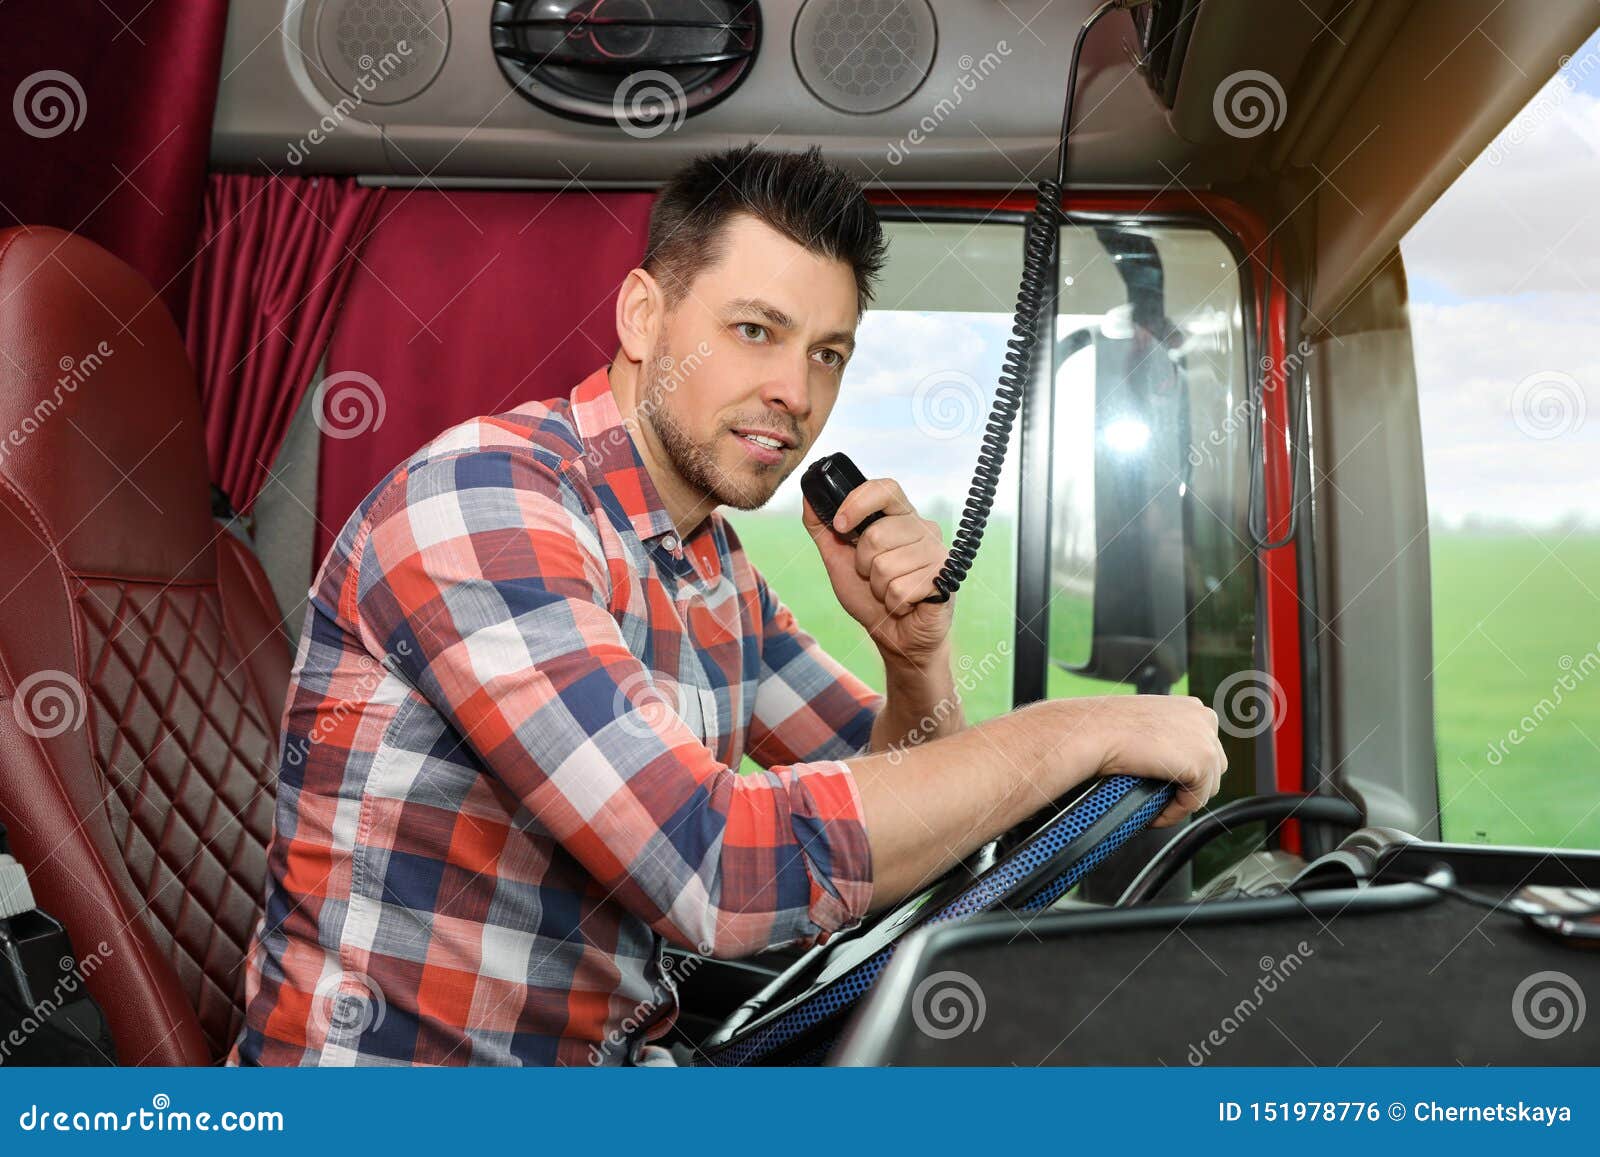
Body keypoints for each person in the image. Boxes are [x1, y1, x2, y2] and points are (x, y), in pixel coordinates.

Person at [232, 143, 1224, 1067]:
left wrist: (915, 653)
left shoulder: (712, 566)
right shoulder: (484, 505)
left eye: (827, 353)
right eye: (755, 330)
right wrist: (1086, 729)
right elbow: (710, 865)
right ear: (642, 317)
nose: (794, 389)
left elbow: (905, 814)